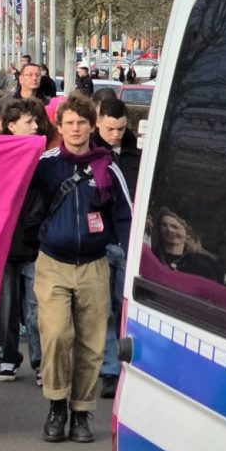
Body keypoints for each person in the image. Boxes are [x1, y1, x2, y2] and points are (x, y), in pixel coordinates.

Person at [25, 95, 133, 443]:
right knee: (56, 335)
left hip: (94, 265)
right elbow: (11, 189)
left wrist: (132, 261)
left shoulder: (108, 168)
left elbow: (125, 217)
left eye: (81, 123)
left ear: (92, 126)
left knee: (91, 344)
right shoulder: (45, 164)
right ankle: (56, 404)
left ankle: (81, 412)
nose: (75, 129)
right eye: (68, 123)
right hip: (53, 263)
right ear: (59, 127)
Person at [0, 98, 54, 383]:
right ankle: (7, 357)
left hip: (33, 242)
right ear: (10, 126)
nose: (35, 127)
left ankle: (41, 360)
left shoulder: (44, 156)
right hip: (4, 244)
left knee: (36, 307)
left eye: (36, 121)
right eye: (28, 122)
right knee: (6, 307)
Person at [93, 96, 142, 396]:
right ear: (98, 123)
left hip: (126, 241)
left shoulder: (136, 154)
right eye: (110, 129)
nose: (116, 134)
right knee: (102, 311)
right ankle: (109, 369)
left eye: (121, 129)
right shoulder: (90, 155)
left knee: (122, 306)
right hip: (100, 241)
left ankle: (124, 363)